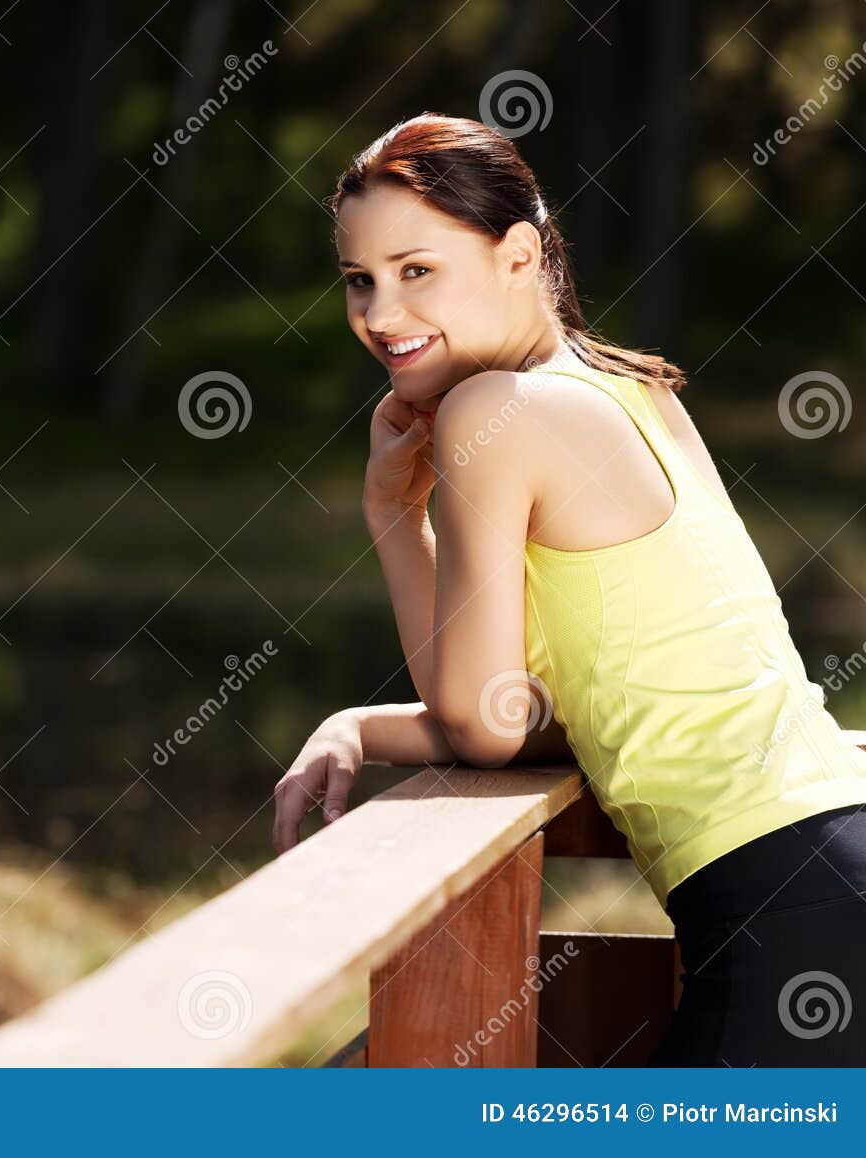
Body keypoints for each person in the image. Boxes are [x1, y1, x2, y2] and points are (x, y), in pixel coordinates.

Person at [270, 112, 866, 1065]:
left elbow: (480, 727)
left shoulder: (491, 411)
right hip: (824, 865)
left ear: (517, 254)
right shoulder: (629, 386)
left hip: (790, 907)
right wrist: (365, 723)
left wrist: (390, 515)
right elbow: (541, 708)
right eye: (360, 280)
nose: (381, 315)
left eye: (417, 270)